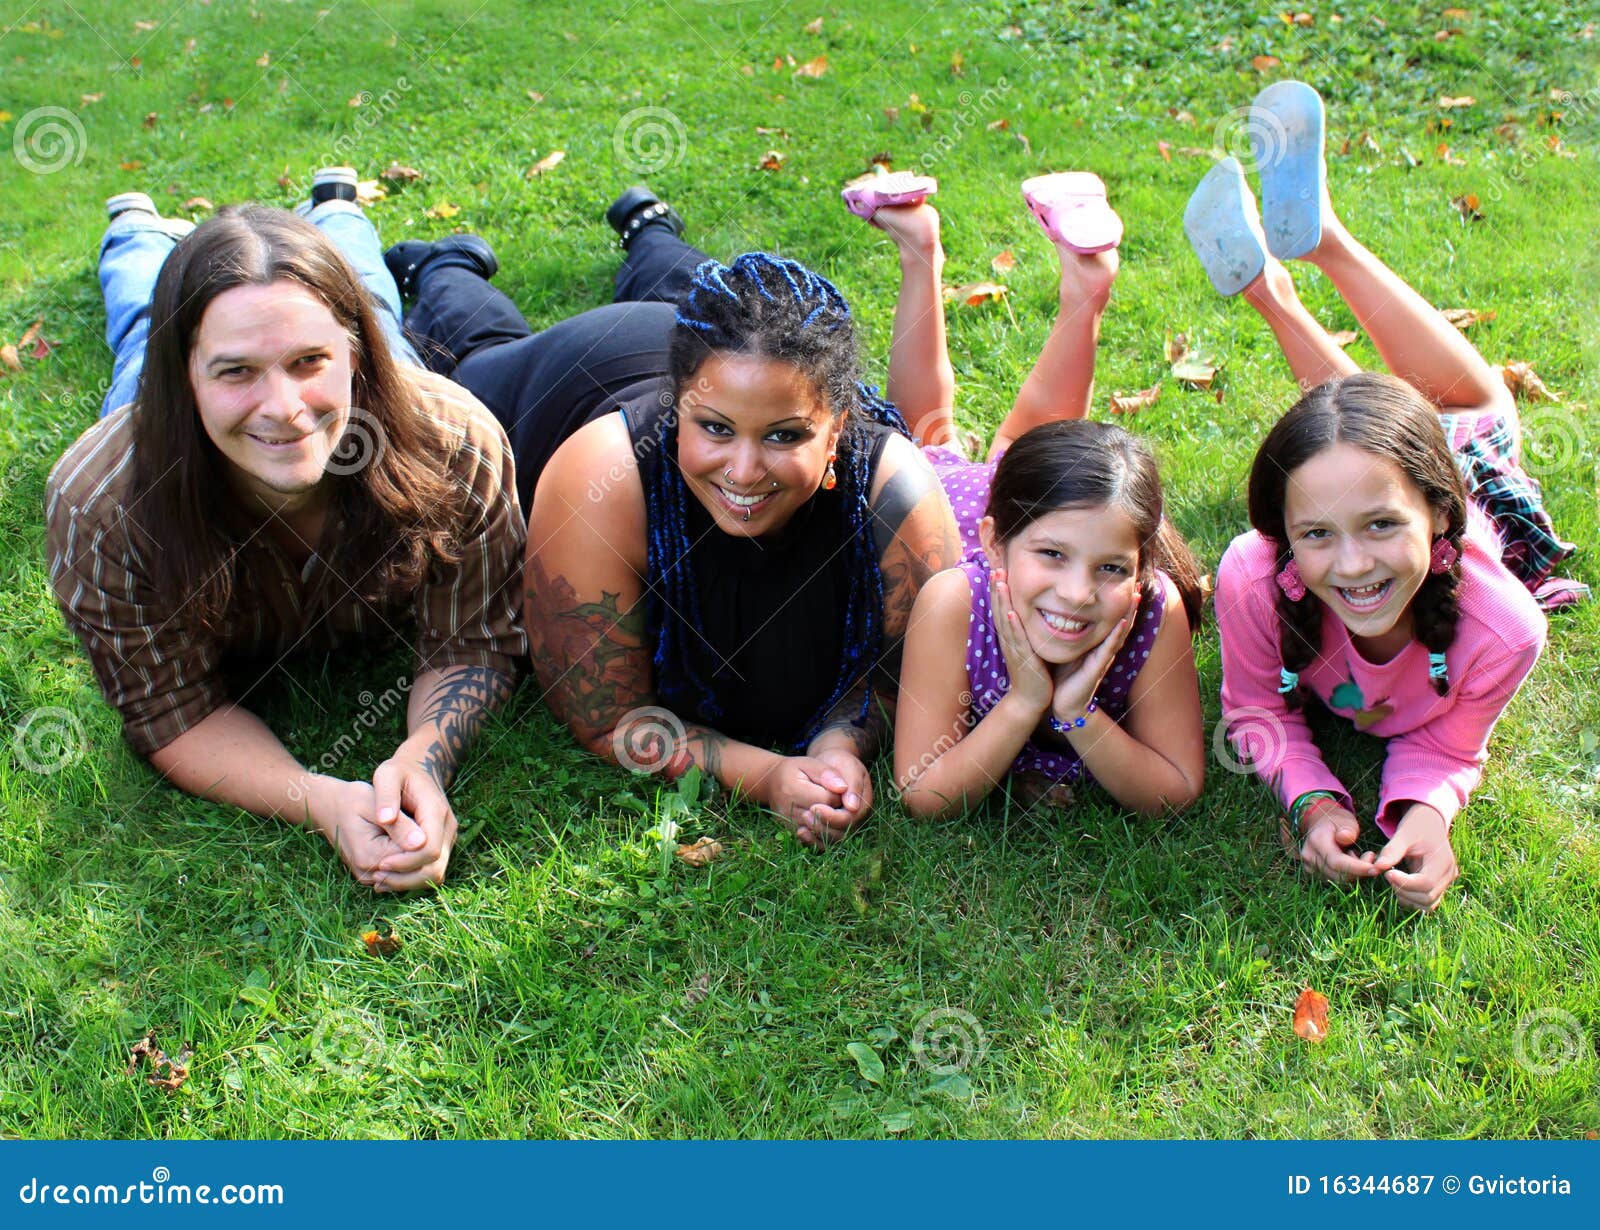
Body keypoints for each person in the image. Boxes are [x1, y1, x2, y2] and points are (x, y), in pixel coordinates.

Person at [392, 189, 961, 846]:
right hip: (567, 373)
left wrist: (839, 745)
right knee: (482, 348)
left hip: (714, 356)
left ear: (835, 436)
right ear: (678, 409)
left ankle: (649, 229)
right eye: (715, 430)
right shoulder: (603, 481)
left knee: (691, 293)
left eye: (784, 436)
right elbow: (610, 719)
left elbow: (909, 673)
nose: (745, 471)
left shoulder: (895, 494)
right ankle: (442, 266)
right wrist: (769, 775)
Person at [46, 170, 528, 892]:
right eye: (236, 370)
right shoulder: (102, 502)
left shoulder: (456, 441)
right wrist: (326, 802)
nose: (285, 408)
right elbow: (171, 710)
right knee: (137, 328)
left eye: (310, 361)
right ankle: (135, 231)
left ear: (352, 357)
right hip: (170, 428)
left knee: (369, 293)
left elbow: (474, 641)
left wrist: (422, 759)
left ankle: (336, 206)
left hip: (381, 374)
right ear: (183, 379)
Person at [1192, 82, 1586, 911]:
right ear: (1283, 539)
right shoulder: (1252, 574)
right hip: (1417, 458)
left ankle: (1276, 285)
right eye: (1316, 536)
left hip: (1453, 461)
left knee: (1442, 422)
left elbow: (1450, 745)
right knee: (1443, 416)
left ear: (1446, 520)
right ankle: (1317, 247)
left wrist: (1427, 812)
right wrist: (1314, 797)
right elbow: (1254, 707)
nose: (1355, 565)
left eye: (1380, 528)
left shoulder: (1504, 628)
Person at [854, 174, 1205, 817]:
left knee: (1033, 449)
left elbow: (1177, 791)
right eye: (1052, 559)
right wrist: (1022, 703)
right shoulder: (955, 598)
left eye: (1111, 569)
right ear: (995, 544)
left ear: (1140, 567)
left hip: (1036, 511)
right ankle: (919, 247)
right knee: (922, 431)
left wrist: (1074, 713)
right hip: (952, 506)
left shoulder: (1152, 604)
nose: (1077, 593)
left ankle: (1085, 285)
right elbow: (924, 794)